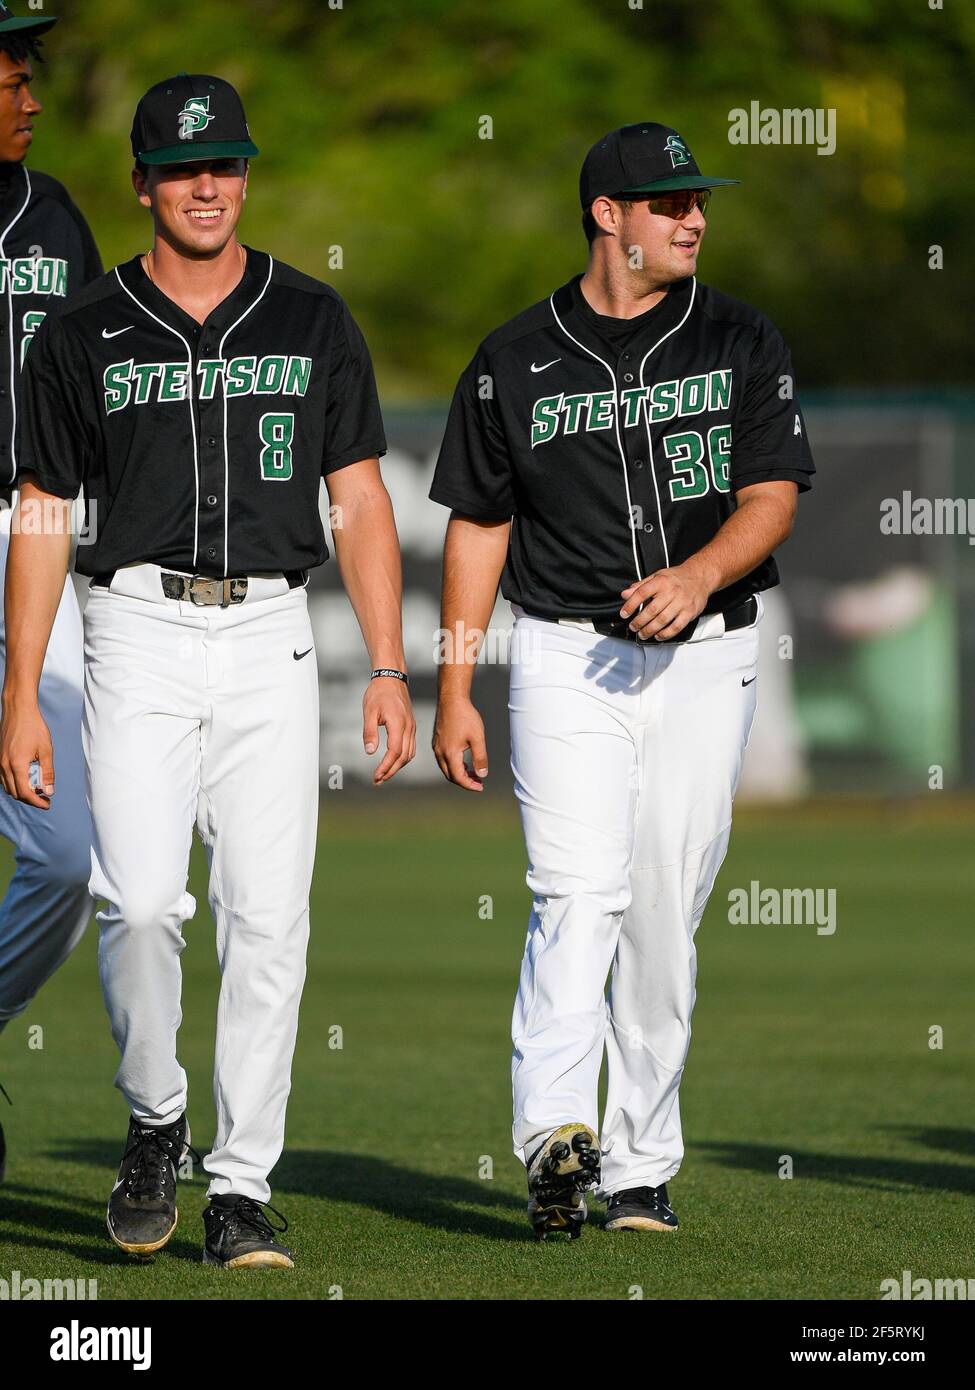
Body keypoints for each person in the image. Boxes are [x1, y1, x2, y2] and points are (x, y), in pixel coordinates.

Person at [0, 73, 415, 1268]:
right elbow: (41, 509)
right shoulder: (83, 330)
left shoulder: (312, 316)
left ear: (246, 174)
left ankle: (239, 1185)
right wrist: (23, 688)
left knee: (267, 921)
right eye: (183, 167)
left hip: (274, 632)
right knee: (134, 903)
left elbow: (360, 499)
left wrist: (389, 665)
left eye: (224, 163)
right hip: (133, 624)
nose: (206, 184)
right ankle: (155, 1115)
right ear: (142, 182)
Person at [430, 122, 815, 1239]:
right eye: (667, 201)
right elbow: (478, 525)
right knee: (575, 891)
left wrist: (697, 574)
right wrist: (456, 684)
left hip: (707, 656)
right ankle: (557, 1132)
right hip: (564, 654)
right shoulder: (514, 356)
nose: (693, 216)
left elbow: (775, 492)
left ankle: (642, 1165)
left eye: (698, 199)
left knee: (659, 914)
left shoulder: (741, 336)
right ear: (608, 215)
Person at [0, 0, 102, 1183]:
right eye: (11, 72)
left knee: (68, 851)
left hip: (32, 535)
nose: (31, 96)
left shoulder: (56, 216)